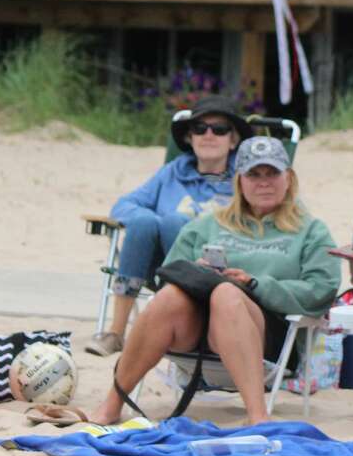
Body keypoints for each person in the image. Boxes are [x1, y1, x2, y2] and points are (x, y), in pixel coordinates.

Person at [91, 136, 340, 425]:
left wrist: (255, 284)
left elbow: (321, 290)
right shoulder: (208, 225)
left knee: (227, 295)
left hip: (266, 335)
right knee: (171, 297)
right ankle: (111, 405)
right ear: (239, 181)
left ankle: (257, 416)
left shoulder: (310, 230)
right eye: (253, 174)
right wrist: (193, 273)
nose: (263, 182)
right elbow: (168, 275)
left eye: (272, 173)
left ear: (289, 178)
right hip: (198, 331)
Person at [86, 95, 253, 357]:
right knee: (143, 221)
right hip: (159, 268)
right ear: (189, 137)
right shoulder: (173, 172)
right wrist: (152, 221)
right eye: (200, 128)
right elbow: (123, 206)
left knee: (175, 220)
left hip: (212, 269)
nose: (208, 135)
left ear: (233, 140)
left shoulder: (243, 179)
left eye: (219, 129)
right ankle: (116, 333)